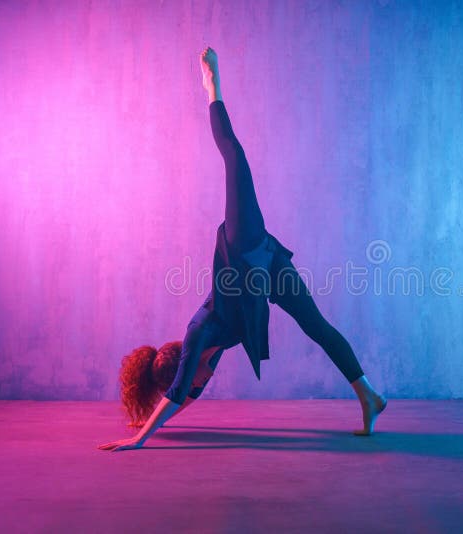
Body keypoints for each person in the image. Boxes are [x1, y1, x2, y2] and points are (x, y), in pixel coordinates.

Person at [98, 47, 386, 452]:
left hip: (245, 249)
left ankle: (211, 86)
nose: (200, 386)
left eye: (193, 378)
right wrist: (152, 424)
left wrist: (139, 439)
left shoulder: (199, 334)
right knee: (316, 326)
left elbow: (179, 391)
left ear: (189, 365)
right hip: (266, 274)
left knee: (235, 156)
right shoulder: (204, 362)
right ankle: (370, 397)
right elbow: (181, 397)